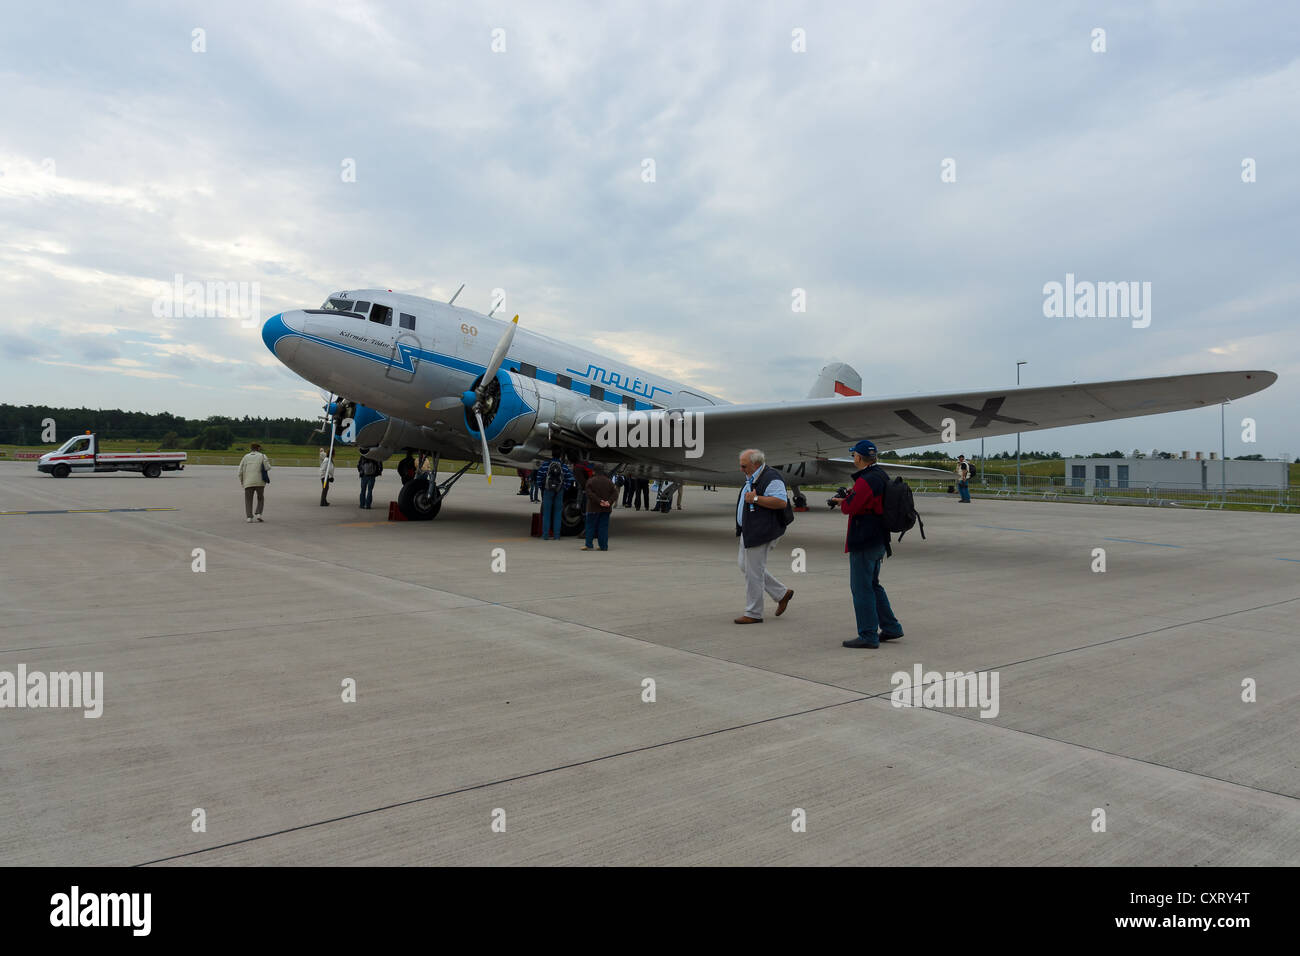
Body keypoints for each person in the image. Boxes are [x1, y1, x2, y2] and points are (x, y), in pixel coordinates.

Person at [838, 439, 903, 648]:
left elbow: (851, 508)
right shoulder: (881, 475)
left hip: (865, 540)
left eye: (853, 455)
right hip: (879, 539)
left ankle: (868, 635)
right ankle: (891, 627)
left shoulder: (866, 480)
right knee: (873, 585)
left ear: (858, 457)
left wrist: (843, 501)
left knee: (861, 588)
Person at [733, 448, 794, 624]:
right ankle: (781, 593)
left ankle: (753, 613)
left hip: (761, 531)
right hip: (751, 529)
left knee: (753, 572)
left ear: (756, 464)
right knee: (745, 565)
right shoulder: (753, 476)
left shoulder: (771, 478)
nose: (741, 469)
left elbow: (781, 502)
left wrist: (756, 499)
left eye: (744, 466)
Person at [534, 450, 574, 540]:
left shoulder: (545, 465)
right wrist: (565, 488)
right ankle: (557, 535)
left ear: (552, 455)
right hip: (559, 491)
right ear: (560, 456)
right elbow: (570, 478)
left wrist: (542, 488)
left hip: (547, 491)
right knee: (558, 513)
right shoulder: (563, 466)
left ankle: (545, 535)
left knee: (546, 513)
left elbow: (539, 477)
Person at [580, 467, 618, 551]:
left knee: (590, 526)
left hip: (593, 508)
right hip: (606, 509)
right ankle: (603, 546)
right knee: (603, 527)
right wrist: (609, 502)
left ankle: (589, 545)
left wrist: (599, 501)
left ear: (594, 472)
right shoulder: (609, 481)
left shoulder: (590, 481)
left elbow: (589, 493)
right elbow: (615, 492)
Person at [238, 442, 270, 522]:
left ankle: (249, 517)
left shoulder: (245, 457)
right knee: (260, 498)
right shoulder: (262, 456)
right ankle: (258, 513)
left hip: (248, 481)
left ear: (251, 448)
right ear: (258, 448)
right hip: (260, 481)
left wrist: (242, 481)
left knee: (248, 500)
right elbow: (268, 467)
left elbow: (240, 471)